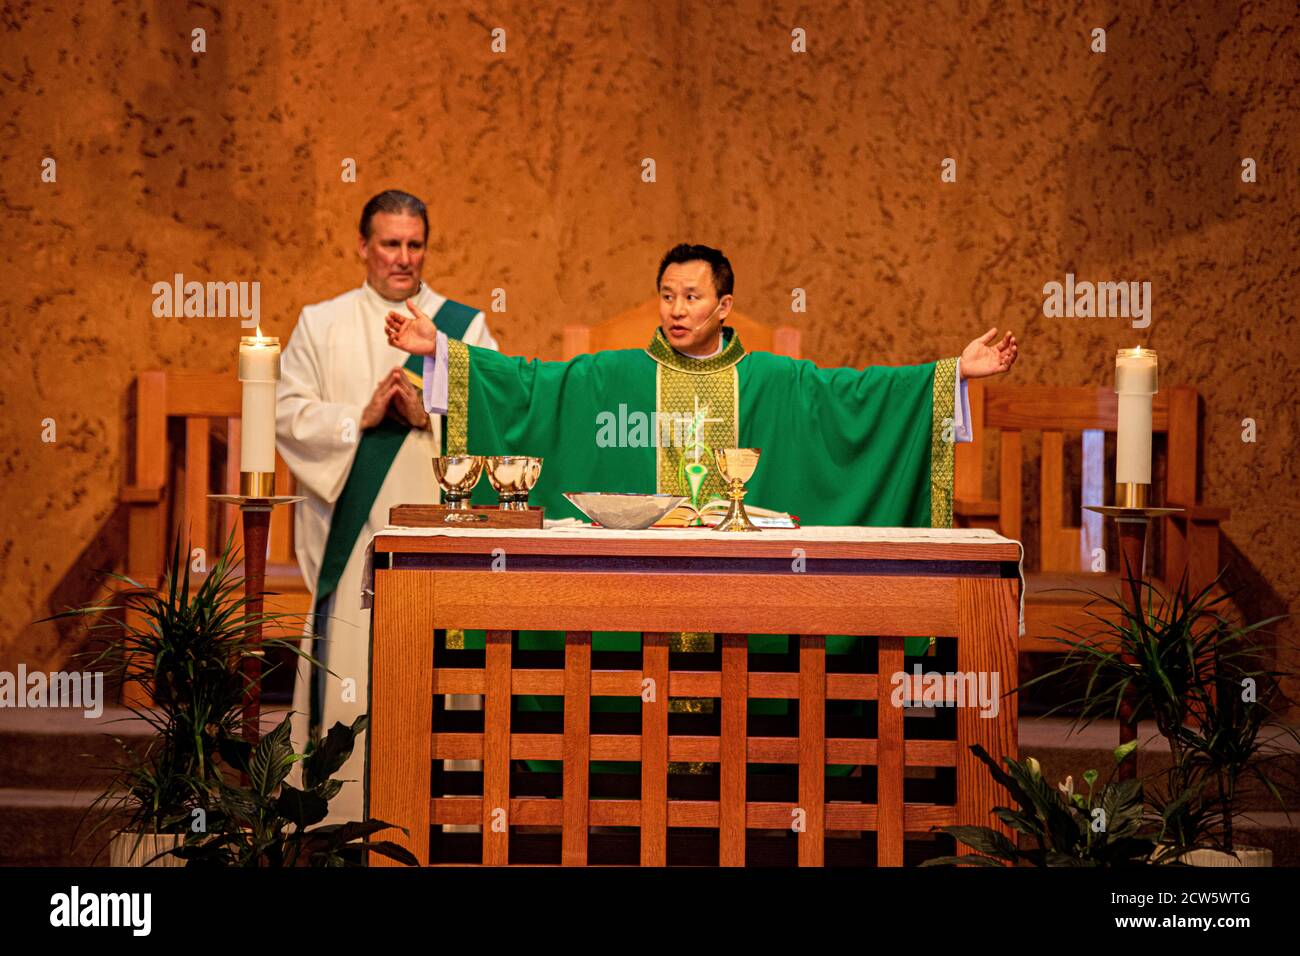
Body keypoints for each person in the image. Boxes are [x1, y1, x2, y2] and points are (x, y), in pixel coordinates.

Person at [386, 241, 1017, 776]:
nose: (677, 309)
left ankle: (762, 778)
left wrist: (951, 374)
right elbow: (531, 385)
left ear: (724, 305)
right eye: (667, 295)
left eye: (691, 296)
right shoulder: (612, 378)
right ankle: (620, 774)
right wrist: (439, 350)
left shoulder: (779, 381)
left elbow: (855, 398)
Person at [276, 190, 499, 822]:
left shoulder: (464, 326)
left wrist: (429, 412)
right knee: (351, 656)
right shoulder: (321, 324)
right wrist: (360, 417)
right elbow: (289, 414)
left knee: (434, 674)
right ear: (362, 246)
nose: (403, 258)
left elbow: (498, 407)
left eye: (415, 244)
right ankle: (337, 819)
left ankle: (444, 818)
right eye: (390, 244)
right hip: (351, 534)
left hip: (438, 532)